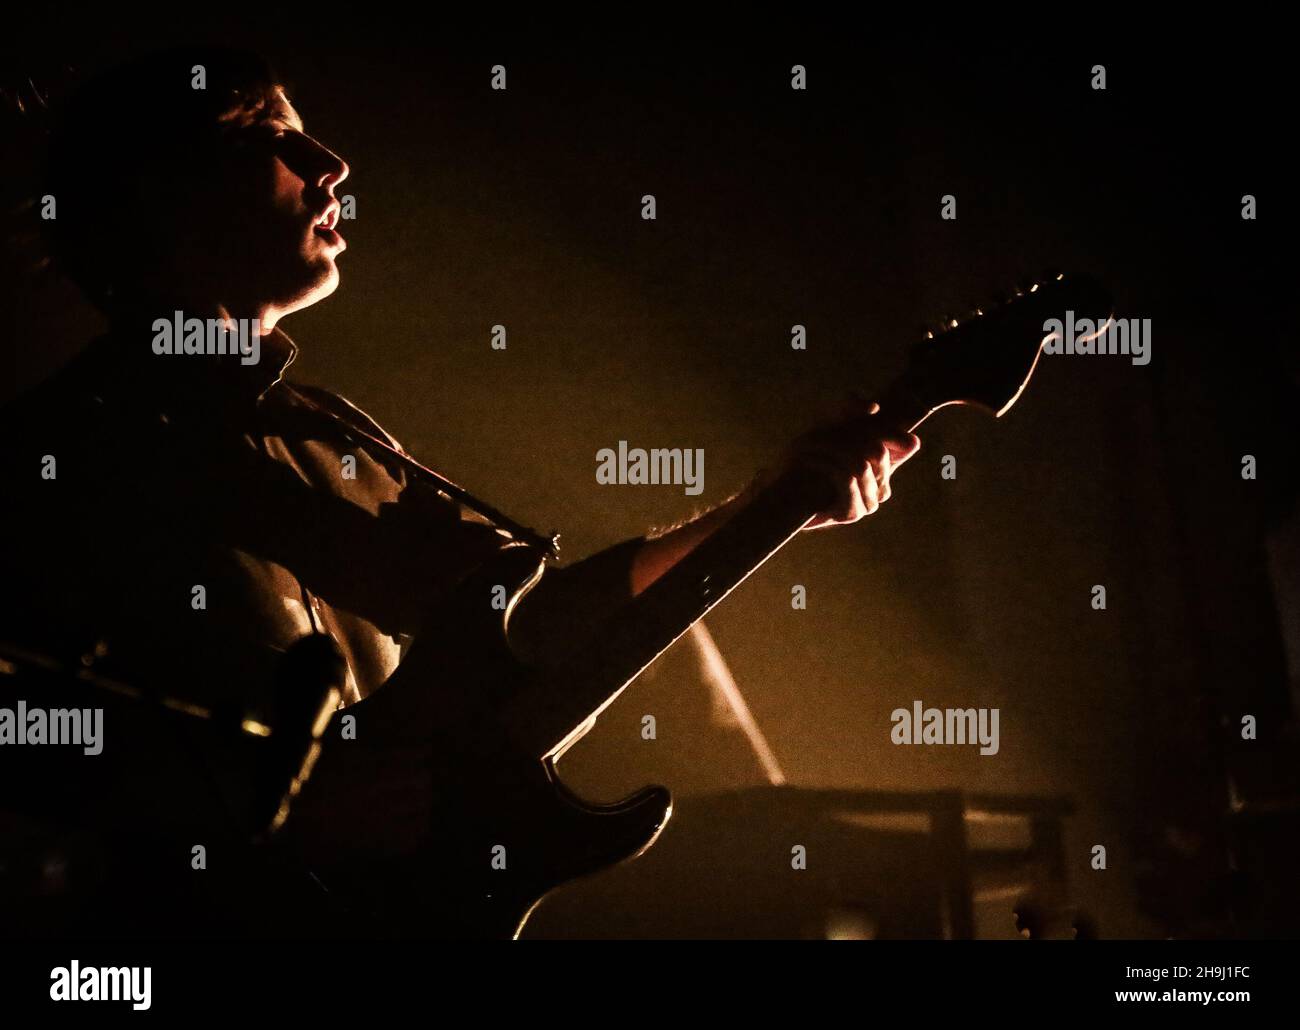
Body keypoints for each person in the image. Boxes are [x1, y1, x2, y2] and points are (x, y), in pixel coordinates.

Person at [0, 48, 919, 934]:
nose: (331, 164)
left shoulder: (338, 438)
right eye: (268, 136)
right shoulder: (55, 455)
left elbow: (534, 640)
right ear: (166, 192)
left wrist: (776, 504)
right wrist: (257, 806)